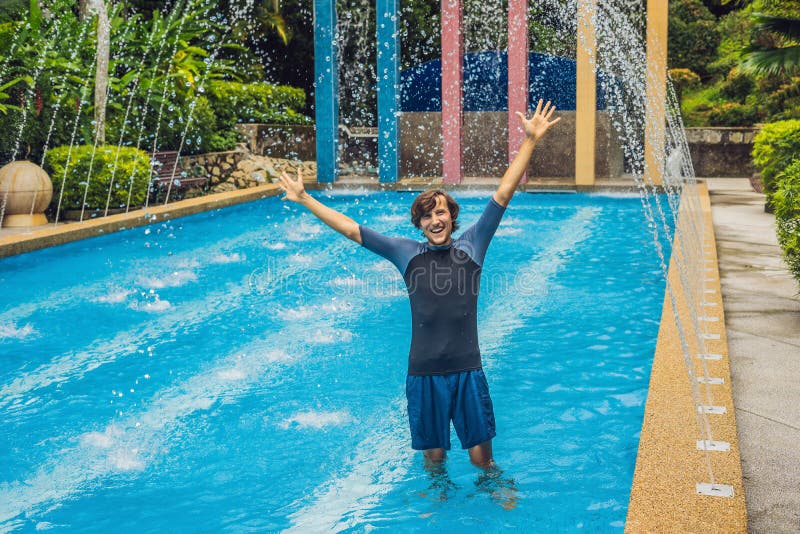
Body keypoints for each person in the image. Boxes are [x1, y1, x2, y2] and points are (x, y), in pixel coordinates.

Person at [278, 99, 560, 469]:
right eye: (427, 216)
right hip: (423, 372)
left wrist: (530, 141)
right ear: (420, 224)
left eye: (440, 212)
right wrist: (305, 198)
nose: (435, 220)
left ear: (452, 216)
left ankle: (494, 497)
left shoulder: (473, 244)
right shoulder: (405, 252)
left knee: (482, 461)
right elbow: (350, 229)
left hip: (467, 370)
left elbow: (503, 193)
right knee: (434, 461)